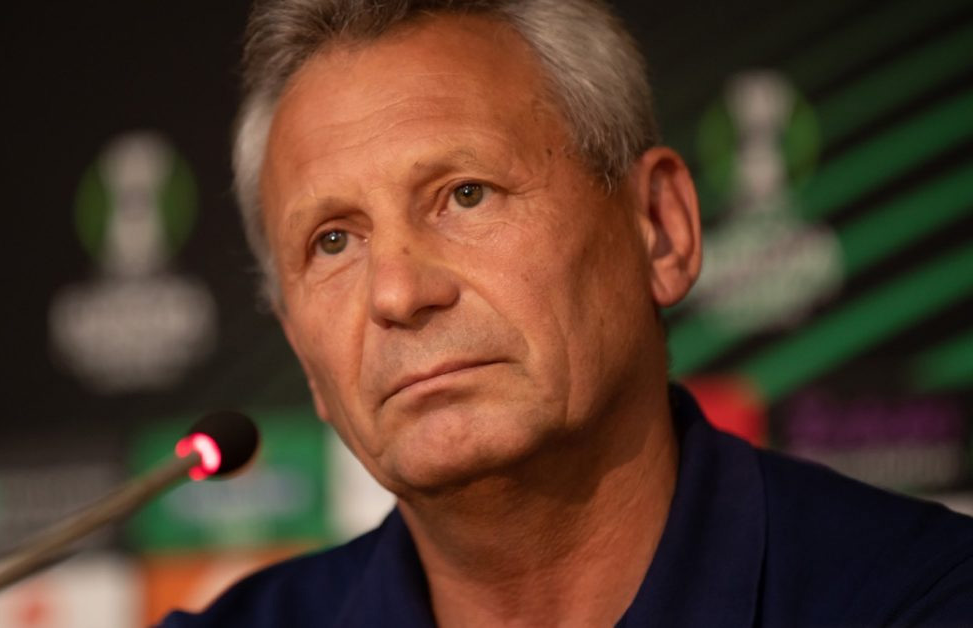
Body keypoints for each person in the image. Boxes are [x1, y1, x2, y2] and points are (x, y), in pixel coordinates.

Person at [162, 1, 973, 625]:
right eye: (334, 241)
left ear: (659, 227)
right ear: (301, 352)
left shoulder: (923, 598)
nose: (398, 294)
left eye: (465, 195)